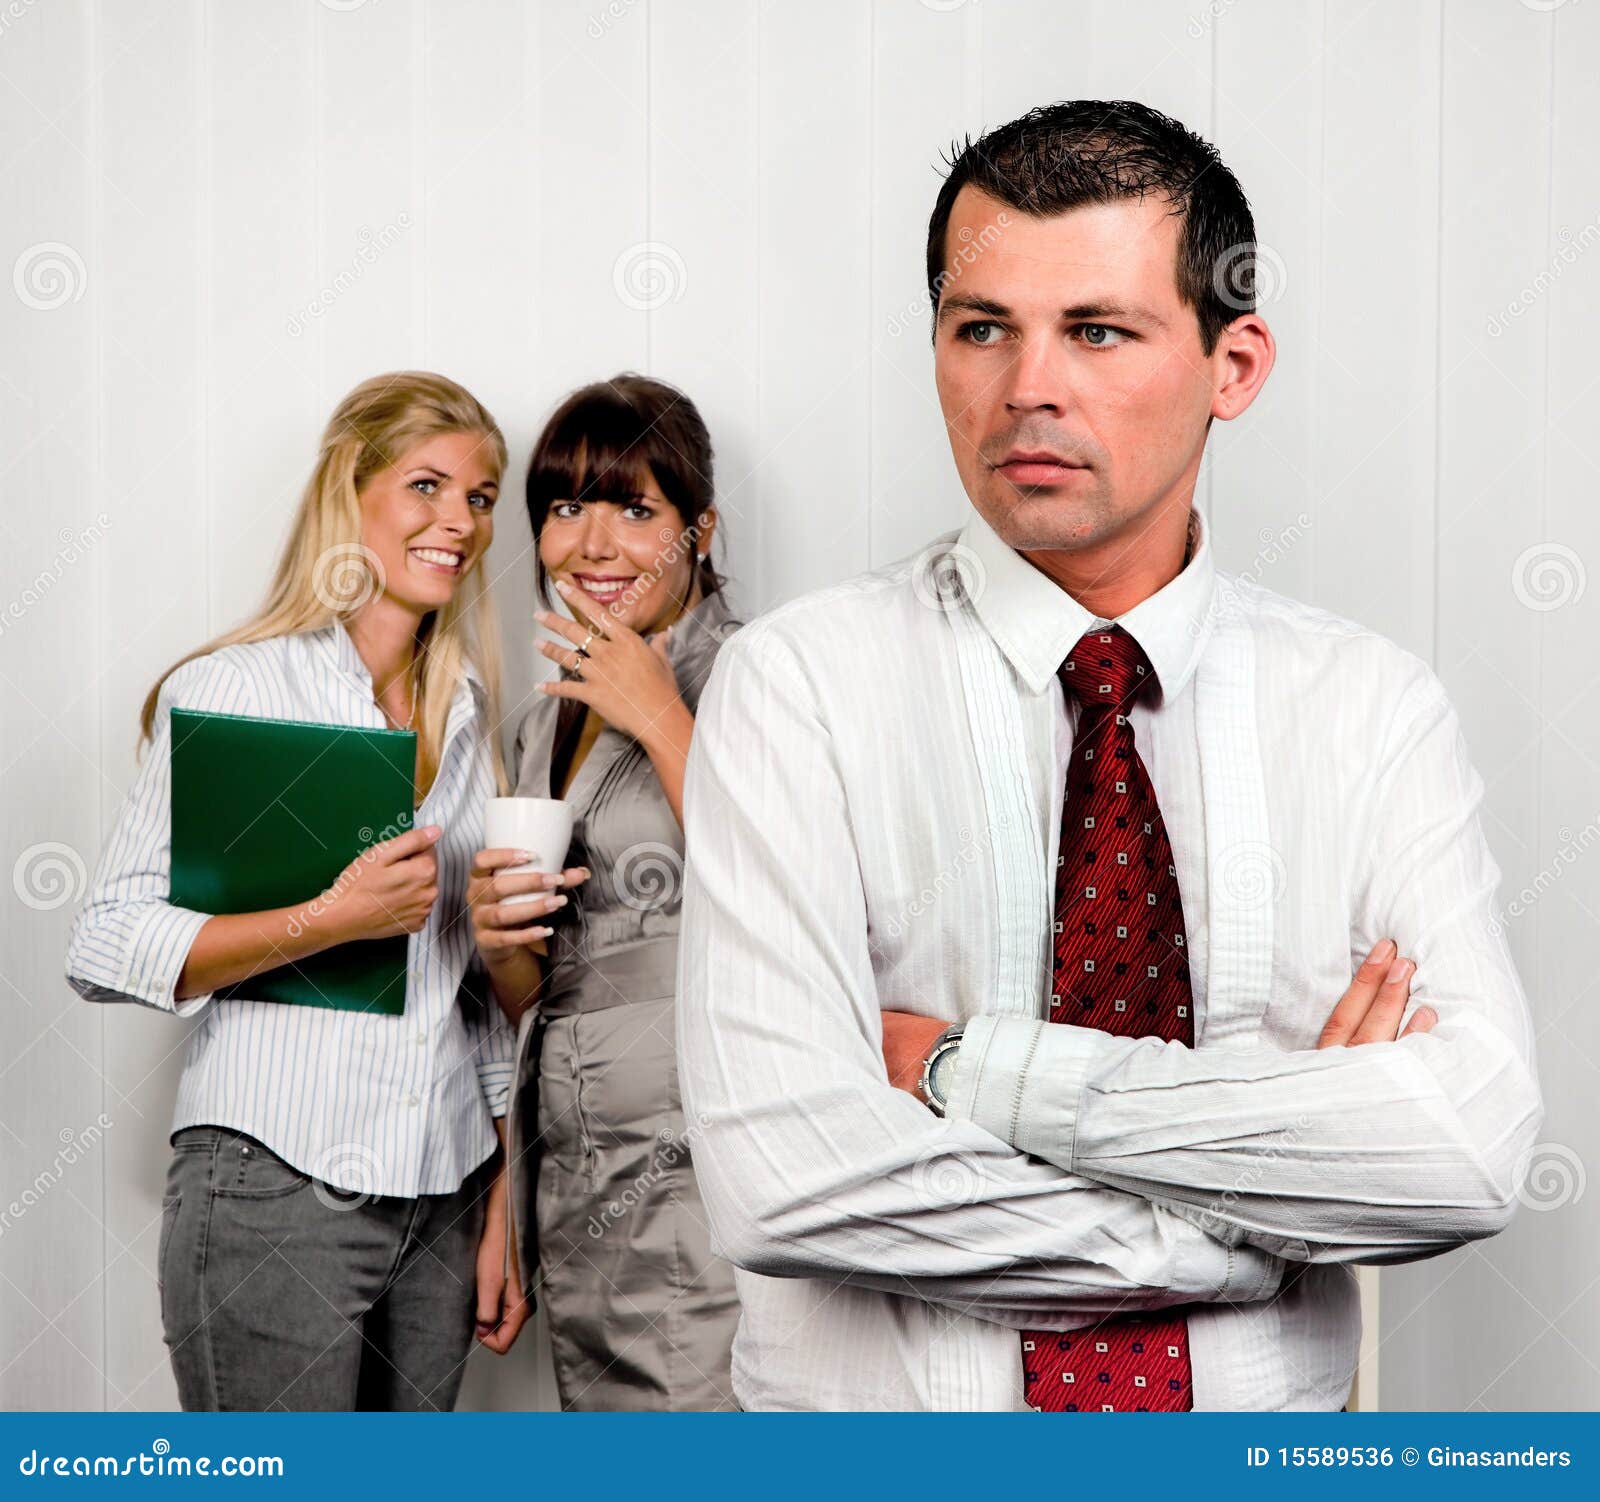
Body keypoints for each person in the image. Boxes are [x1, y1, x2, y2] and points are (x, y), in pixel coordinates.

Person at [676, 100, 1544, 1411]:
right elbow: (787, 1181)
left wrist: (985, 1072)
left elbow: (1462, 1151)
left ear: (1233, 365)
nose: (1028, 386)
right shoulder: (799, 685)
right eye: (982, 329)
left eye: (1097, 330)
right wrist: (1252, 1205)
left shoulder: (1371, 709)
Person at [64, 371, 586, 1410]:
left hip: (440, 1202)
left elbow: (474, 1010)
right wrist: (329, 918)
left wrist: (501, 1208)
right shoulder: (239, 687)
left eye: (480, 498)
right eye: (426, 486)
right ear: (351, 494)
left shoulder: (477, 717)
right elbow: (105, 943)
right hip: (273, 1183)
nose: (459, 522)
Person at [468, 373, 743, 1410]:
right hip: (575, 1181)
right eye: (564, 506)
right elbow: (537, 993)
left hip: (701, 1177)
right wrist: (500, 942)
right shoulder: (544, 722)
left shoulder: (759, 673)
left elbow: (796, 897)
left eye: (636, 509)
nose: (593, 543)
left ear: (698, 529)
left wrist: (660, 712)